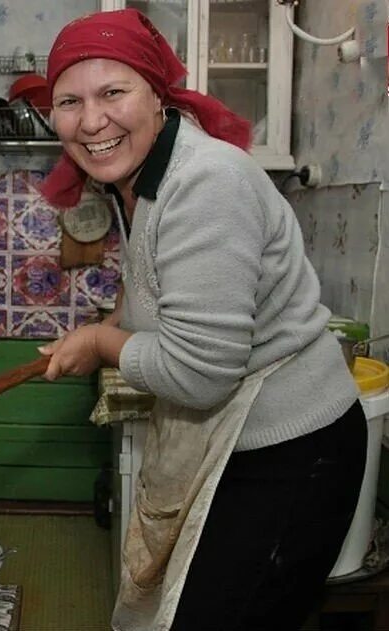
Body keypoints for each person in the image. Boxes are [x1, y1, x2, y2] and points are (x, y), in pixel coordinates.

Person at [36, 9, 367, 631]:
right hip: (242, 443)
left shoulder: (206, 181)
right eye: (68, 101)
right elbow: (159, 294)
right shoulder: (140, 178)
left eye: (113, 92)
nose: (91, 120)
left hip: (292, 453)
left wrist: (104, 342)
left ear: (157, 95)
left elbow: (200, 375)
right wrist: (110, 323)